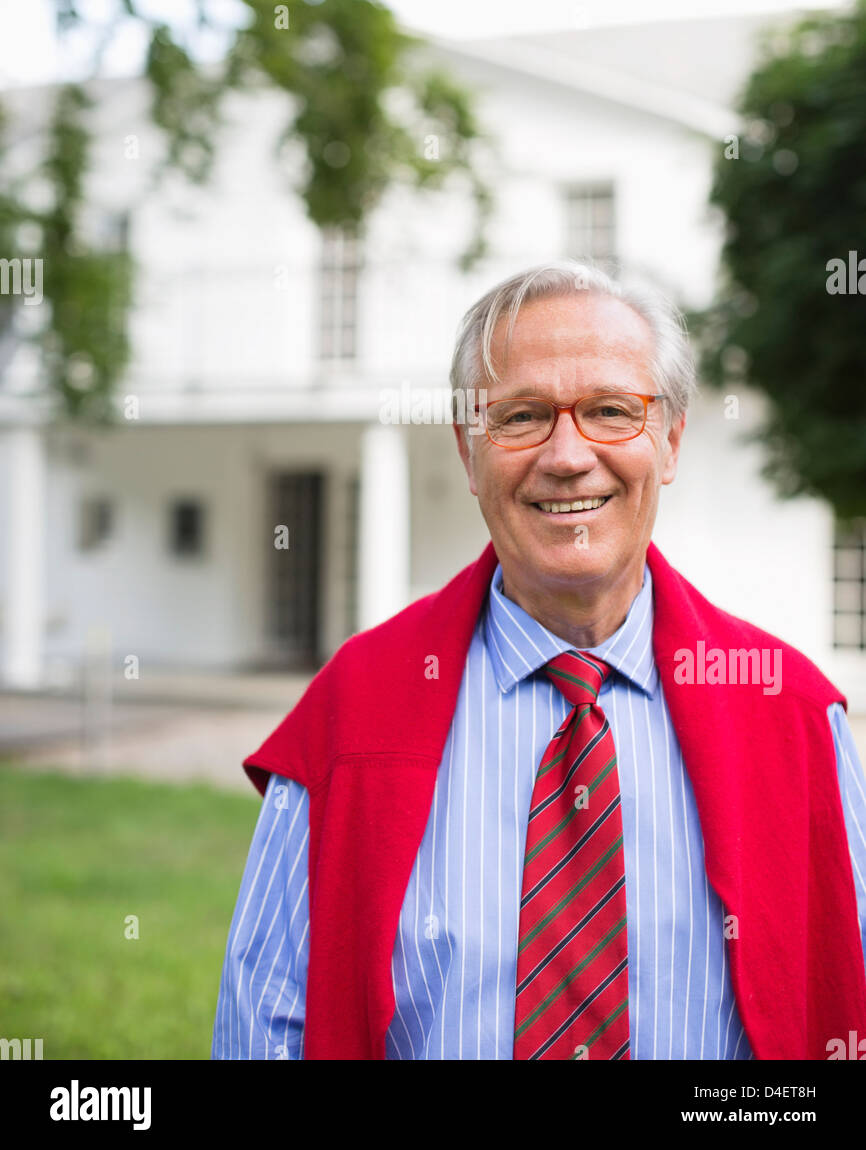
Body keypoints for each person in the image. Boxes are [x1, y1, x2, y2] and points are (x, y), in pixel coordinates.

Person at [212, 260, 866, 1061]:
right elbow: (265, 1025)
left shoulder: (793, 715)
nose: (567, 455)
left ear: (670, 440)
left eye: (610, 411)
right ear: (467, 448)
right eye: (520, 417)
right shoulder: (355, 706)